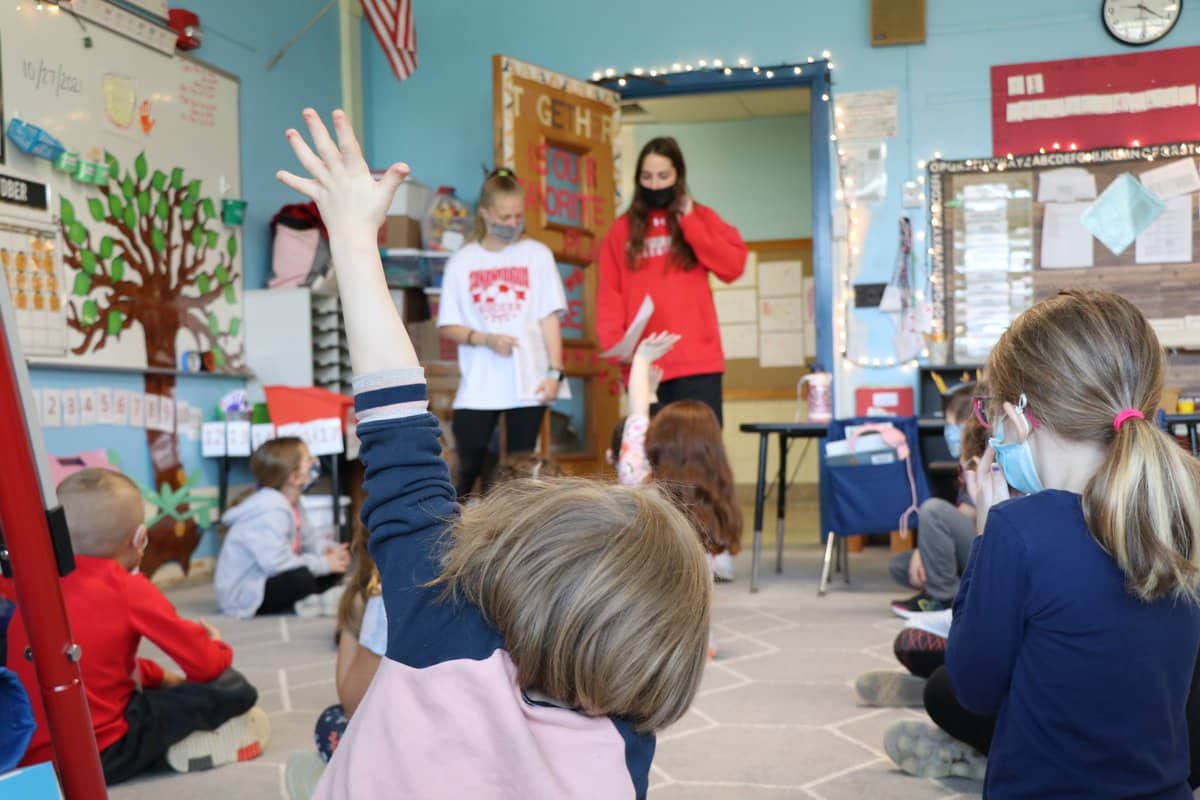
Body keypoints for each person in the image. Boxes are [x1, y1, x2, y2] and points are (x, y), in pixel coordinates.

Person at [277, 108, 710, 799]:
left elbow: (399, 442)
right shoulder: (627, 751)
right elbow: (411, 454)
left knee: (344, 728)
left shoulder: (437, 618)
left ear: (520, 560)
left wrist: (355, 241)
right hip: (484, 387)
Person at [894, 290, 1200, 797]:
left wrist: (987, 535)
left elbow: (973, 686)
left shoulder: (1018, 531)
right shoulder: (1179, 517)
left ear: (1015, 417)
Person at [3, 468, 267, 784]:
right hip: (101, 755)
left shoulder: (21, 581)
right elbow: (206, 666)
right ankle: (169, 751)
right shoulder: (128, 588)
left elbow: (91, 660)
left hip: (27, 755)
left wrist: (161, 677)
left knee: (149, 689)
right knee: (233, 687)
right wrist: (216, 644)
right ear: (140, 538)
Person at [596, 137, 747, 427]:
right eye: (647, 177)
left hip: (697, 364)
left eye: (663, 176)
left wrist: (690, 222)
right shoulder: (620, 231)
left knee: (699, 457)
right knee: (651, 458)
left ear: (678, 177)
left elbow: (733, 266)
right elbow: (609, 295)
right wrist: (618, 348)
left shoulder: (701, 217)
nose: (654, 185)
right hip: (644, 365)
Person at [437, 168, 567, 499]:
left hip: (528, 380)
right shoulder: (462, 262)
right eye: (504, 216)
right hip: (479, 384)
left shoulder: (537, 255)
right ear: (485, 214)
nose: (512, 223)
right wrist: (487, 340)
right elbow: (448, 324)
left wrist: (555, 373)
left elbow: (550, 317)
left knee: (523, 471)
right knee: (468, 465)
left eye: (518, 216)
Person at [618, 332, 742, 582]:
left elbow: (638, 415)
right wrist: (651, 391)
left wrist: (641, 359)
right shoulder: (717, 499)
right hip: (691, 603)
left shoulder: (638, 479)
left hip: (645, 596)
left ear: (658, 441)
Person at [215, 437, 350, 618]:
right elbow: (277, 564)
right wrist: (324, 564)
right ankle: (310, 602)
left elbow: (310, 540)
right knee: (301, 578)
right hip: (245, 593)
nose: (315, 462)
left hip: (270, 577)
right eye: (308, 459)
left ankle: (313, 598)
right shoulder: (268, 509)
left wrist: (328, 552)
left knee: (332, 571)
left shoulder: (293, 504)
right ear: (294, 477)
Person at [888, 385, 986, 615]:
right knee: (901, 566)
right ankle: (964, 592)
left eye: (956, 425)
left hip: (990, 545)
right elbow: (965, 512)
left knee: (932, 510)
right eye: (948, 425)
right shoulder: (966, 462)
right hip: (973, 541)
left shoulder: (987, 458)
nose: (950, 432)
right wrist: (923, 552)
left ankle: (945, 600)